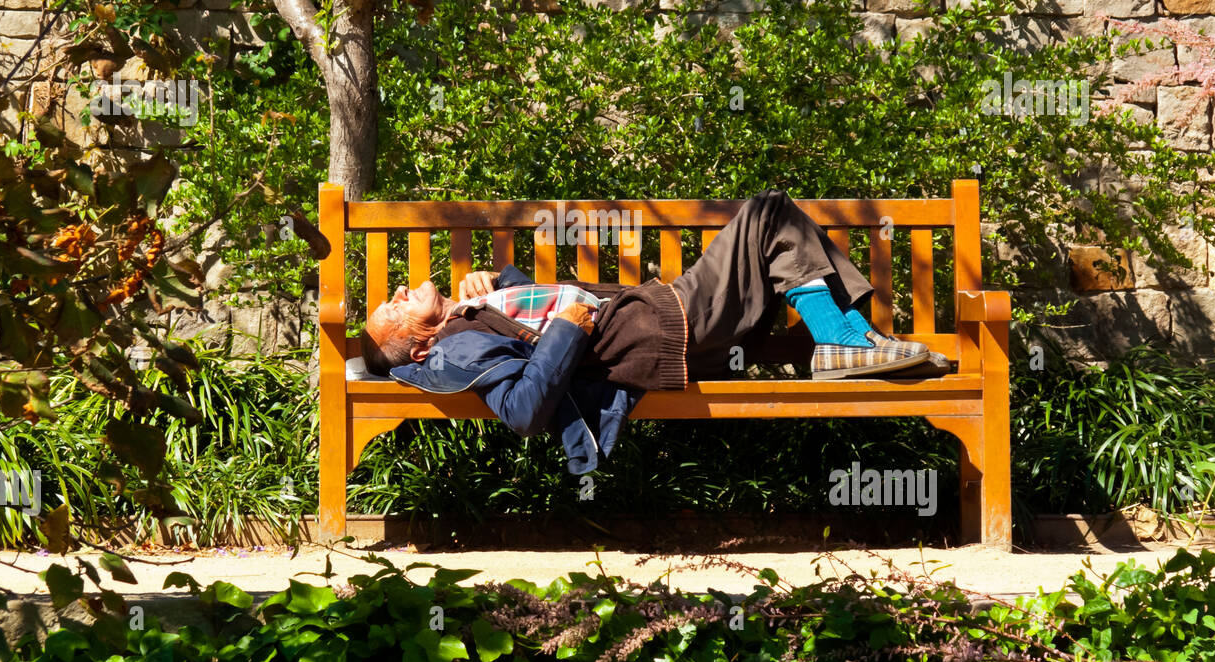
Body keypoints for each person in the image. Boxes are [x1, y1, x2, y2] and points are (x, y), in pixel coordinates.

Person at [355, 189, 945, 475]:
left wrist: (496, 280)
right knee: (768, 214)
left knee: (776, 231)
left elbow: (531, 310)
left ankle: (848, 341)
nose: (400, 291)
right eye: (393, 305)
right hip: (665, 325)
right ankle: (847, 339)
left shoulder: (460, 321)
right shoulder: (456, 353)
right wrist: (564, 328)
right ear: (423, 342)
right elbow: (523, 408)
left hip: (664, 316)